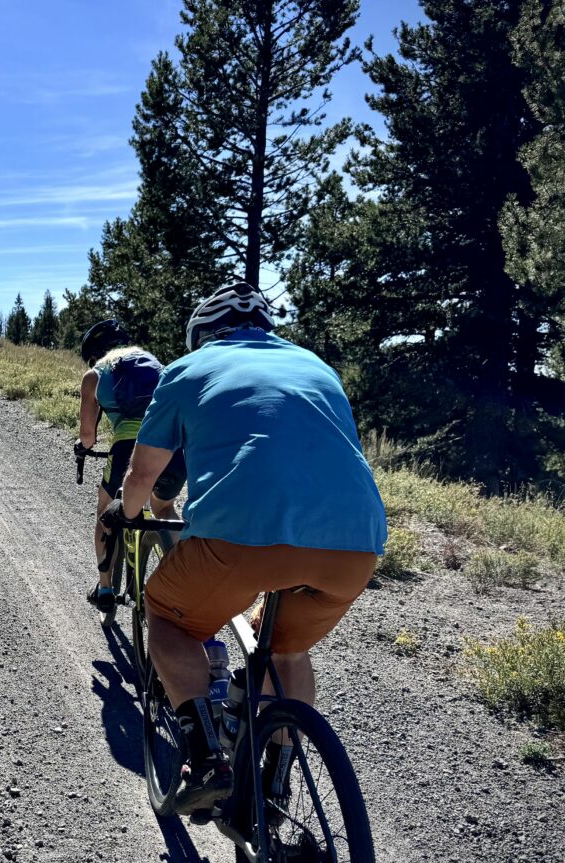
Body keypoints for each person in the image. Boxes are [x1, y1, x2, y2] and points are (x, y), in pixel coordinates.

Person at [105, 282, 387, 815]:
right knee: (285, 650)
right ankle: (276, 782)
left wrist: (128, 511)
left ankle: (205, 759)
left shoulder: (187, 370)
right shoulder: (316, 366)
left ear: (203, 335)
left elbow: (144, 474)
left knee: (169, 616)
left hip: (242, 535)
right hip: (355, 543)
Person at [75, 319, 186, 616]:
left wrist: (83, 447)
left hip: (130, 447)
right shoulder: (151, 361)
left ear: (93, 354)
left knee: (105, 509)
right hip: (175, 447)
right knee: (164, 508)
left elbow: (88, 435)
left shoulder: (94, 375)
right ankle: (183, 581)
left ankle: (105, 588)